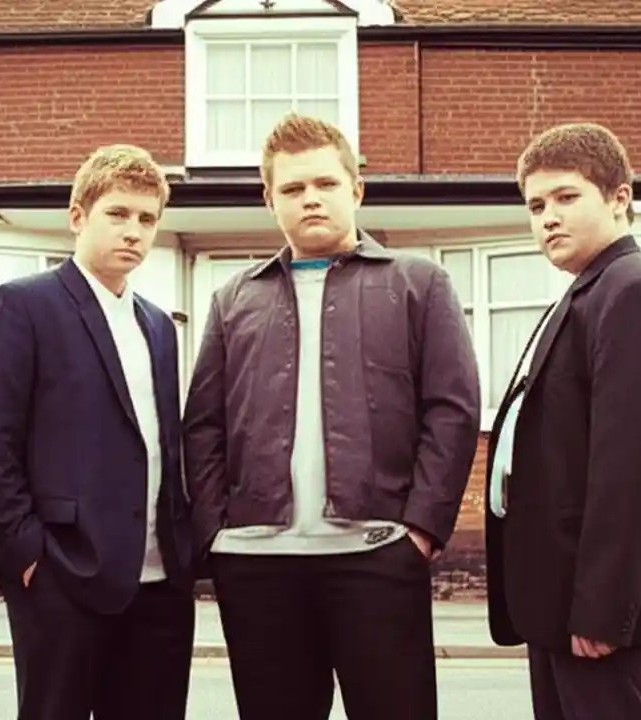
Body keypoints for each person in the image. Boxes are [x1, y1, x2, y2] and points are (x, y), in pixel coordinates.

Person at [184, 113, 481, 720]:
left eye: (325, 183)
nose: (310, 198)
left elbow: (452, 411)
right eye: (292, 189)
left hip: (378, 555)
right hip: (257, 565)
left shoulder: (420, 285)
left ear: (357, 189)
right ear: (270, 200)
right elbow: (204, 424)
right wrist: (216, 534)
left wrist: (419, 531)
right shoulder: (232, 298)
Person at [483, 122, 641, 720]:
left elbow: (634, 471)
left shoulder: (636, 295)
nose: (547, 218)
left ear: (619, 198)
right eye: (535, 205)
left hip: (606, 621)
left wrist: (604, 609)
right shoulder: (586, 293)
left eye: (566, 197)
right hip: (562, 609)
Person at [0, 144, 195, 719]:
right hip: (62, 575)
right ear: (77, 216)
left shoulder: (159, 327)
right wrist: (25, 553)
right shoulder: (23, 305)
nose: (133, 231)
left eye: (146, 219)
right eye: (117, 214)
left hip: (160, 585)